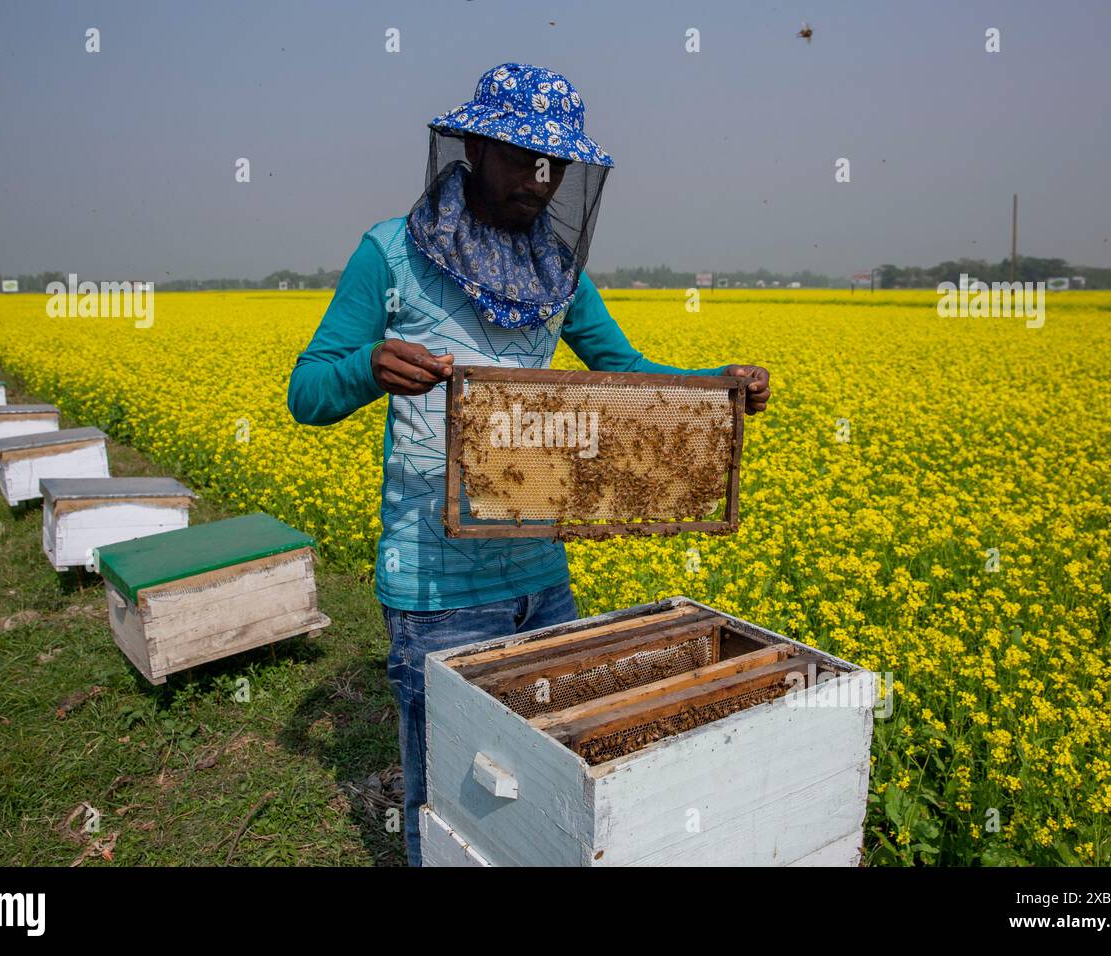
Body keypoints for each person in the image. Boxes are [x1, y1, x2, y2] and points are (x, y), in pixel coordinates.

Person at [287, 62, 771, 866]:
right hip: (434, 587)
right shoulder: (390, 255)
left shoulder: (556, 272)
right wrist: (368, 366)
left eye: (555, 166)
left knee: (542, 794)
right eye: (521, 158)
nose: (540, 181)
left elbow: (621, 372)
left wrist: (710, 388)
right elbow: (306, 392)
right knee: (443, 794)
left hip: (542, 577)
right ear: (473, 148)